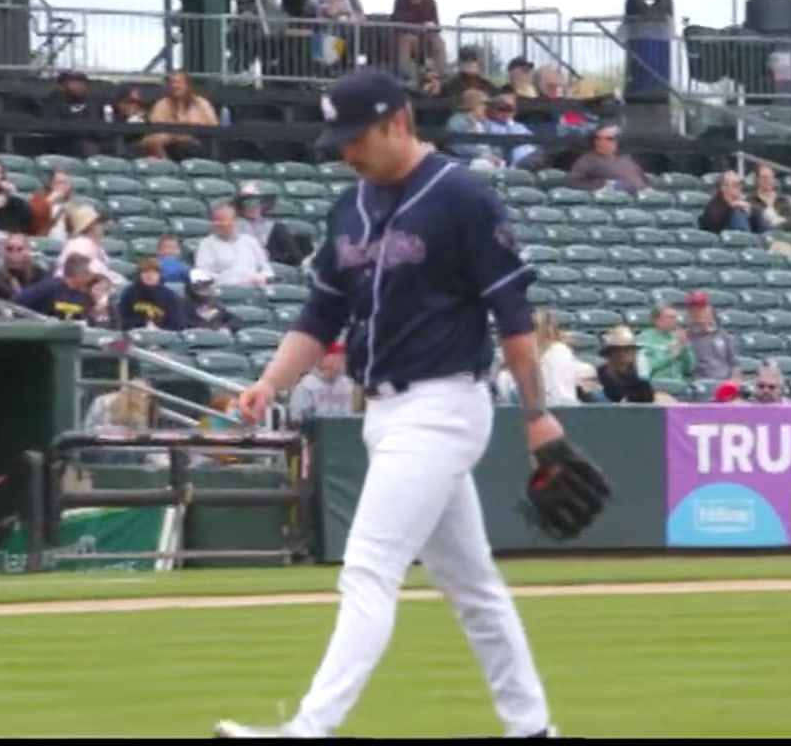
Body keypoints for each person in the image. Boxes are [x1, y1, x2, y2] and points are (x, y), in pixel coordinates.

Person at [216, 69, 564, 739]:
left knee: (369, 566)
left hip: (443, 404)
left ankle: (309, 730)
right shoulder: (350, 207)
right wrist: (269, 383)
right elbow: (320, 315)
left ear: (397, 122)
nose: (346, 151)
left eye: (356, 136)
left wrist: (537, 414)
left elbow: (514, 318)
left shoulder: (461, 196)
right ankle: (534, 730)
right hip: (383, 413)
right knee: (475, 588)